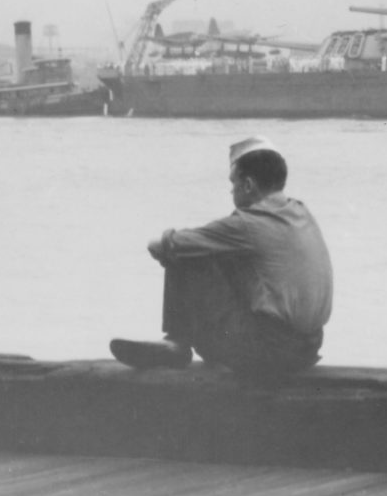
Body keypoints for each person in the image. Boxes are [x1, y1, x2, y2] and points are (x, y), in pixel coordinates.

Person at [109, 135, 334, 386]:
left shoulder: (247, 224)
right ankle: (177, 341)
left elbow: (159, 245)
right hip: (308, 350)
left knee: (187, 252)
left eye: (232, 183)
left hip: (268, 353)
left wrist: (176, 249)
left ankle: (176, 342)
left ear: (247, 185)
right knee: (216, 252)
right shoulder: (301, 211)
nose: (231, 190)